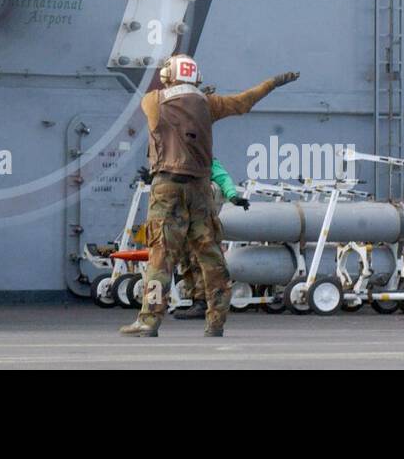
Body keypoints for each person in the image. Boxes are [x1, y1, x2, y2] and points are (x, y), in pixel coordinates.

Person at [120, 55, 298, 338]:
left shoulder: (153, 100)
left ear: (169, 74)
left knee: (161, 255)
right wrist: (272, 84)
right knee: (211, 255)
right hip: (201, 188)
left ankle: (149, 321)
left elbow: (158, 107)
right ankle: (216, 322)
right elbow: (245, 101)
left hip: (167, 185)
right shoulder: (209, 104)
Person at [172, 158, 249, 320]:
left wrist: (233, 196)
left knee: (200, 262)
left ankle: (203, 303)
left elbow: (223, 178)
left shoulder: (203, 156)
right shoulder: (176, 157)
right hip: (184, 222)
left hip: (202, 223)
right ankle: (196, 301)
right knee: (187, 262)